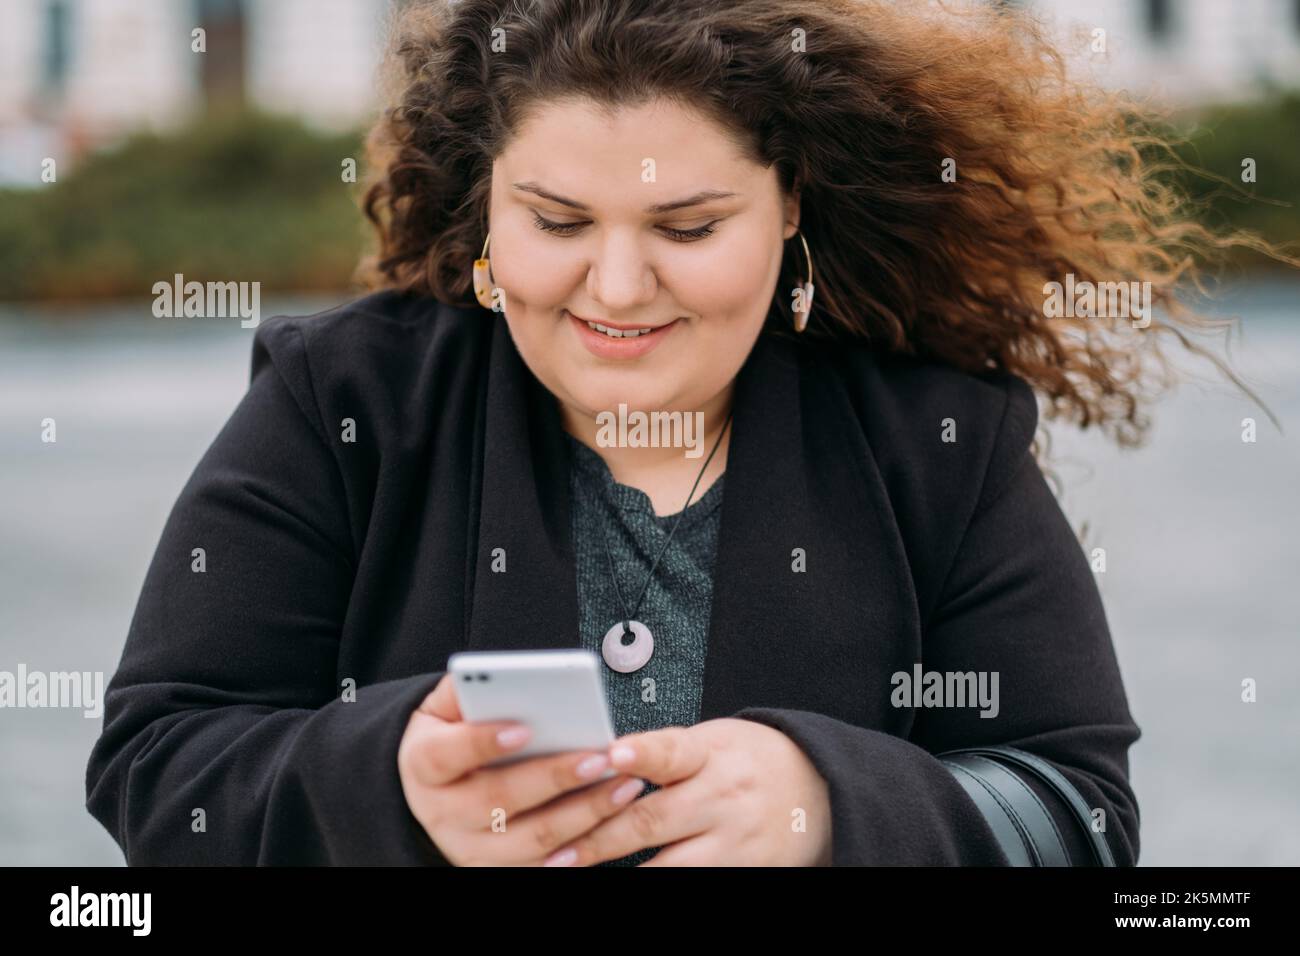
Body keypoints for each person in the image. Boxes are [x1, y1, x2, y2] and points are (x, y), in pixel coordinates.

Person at [86, 0, 1283, 867]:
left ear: (789, 208)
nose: (614, 285)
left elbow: (1077, 816)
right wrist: (389, 785)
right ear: (485, 205)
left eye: (689, 226)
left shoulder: (941, 440)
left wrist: (827, 808)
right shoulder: (336, 402)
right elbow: (157, 765)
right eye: (556, 219)